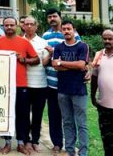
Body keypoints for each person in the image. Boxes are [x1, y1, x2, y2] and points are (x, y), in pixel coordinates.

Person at [0, 17, 39, 155]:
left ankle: (21, 143)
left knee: (22, 114)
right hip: (3, 84)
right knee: (5, 114)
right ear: (3, 26)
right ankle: (7, 143)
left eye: (12, 25)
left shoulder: (24, 42)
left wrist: (24, 60)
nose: (9, 27)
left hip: (20, 84)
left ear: (17, 26)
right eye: (6, 25)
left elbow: (36, 59)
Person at [42, 8, 84, 154]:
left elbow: (79, 56)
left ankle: (70, 144)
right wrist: (52, 57)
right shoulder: (46, 35)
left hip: (68, 82)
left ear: (60, 17)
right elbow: (45, 59)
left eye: (54, 16)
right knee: (54, 115)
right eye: (49, 17)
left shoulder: (71, 33)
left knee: (69, 116)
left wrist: (58, 60)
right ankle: (57, 143)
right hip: (51, 83)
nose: (52, 19)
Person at [52, 20, 90, 156]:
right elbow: (54, 65)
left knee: (82, 124)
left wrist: (61, 62)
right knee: (67, 122)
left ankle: (83, 153)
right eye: (64, 29)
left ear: (74, 30)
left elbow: (81, 65)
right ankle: (70, 151)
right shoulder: (58, 47)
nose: (66, 31)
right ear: (61, 31)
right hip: (63, 90)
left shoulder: (82, 46)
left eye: (69, 29)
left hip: (79, 90)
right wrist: (74, 66)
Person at [21, 16, 51, 153]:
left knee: (37, 115)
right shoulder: (19, 41)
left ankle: (35, 140)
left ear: (36, 26)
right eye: (26, 24)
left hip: (40, 84)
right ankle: (26, 140)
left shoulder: (43, 42)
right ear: (23, 26)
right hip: (24, 84)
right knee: (24, 114)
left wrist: (50, 54)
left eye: (31, 24)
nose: (29, 26)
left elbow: (44, 63)